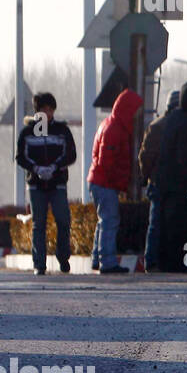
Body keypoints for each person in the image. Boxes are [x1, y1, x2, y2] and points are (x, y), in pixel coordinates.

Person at [15, 91, 77, 276]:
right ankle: (39, 264)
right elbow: (20, 157)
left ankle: (63, 256)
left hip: (57, 183)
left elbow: (71, 154)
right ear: (37, 111)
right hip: (36, 184)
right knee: (38, 223)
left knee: (63, 220)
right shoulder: (27, 132)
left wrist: (54, 167)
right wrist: (36, 169)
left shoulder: (62, 130)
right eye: (44, 109)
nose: (48, 113)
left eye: (51, 109)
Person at [87, 88, 143, 275]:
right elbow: (107, 161)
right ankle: (107, 262)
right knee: (110, 221)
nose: (137, 115)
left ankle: (97, 258)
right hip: (105, 182)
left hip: (99, 180)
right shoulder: (115, 129)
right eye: (135, 110)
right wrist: (117, 183)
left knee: (103, 221)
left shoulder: (110, 124)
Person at [154, 82, 187, 273]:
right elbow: (185, 156)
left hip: (165, 181)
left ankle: (164, 263)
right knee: (178, 227)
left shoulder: (174, 118)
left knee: (164, 225)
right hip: (179, 184)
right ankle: (178, 264)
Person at [138, 89, 179, 271]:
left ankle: (151, 261)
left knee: (155, 224)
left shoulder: (156, 126)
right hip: (176, 183)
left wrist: (145, 176)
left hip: (156, 181)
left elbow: (146, 156)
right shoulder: (184, 125)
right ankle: (171, 261)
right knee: (174, 224)